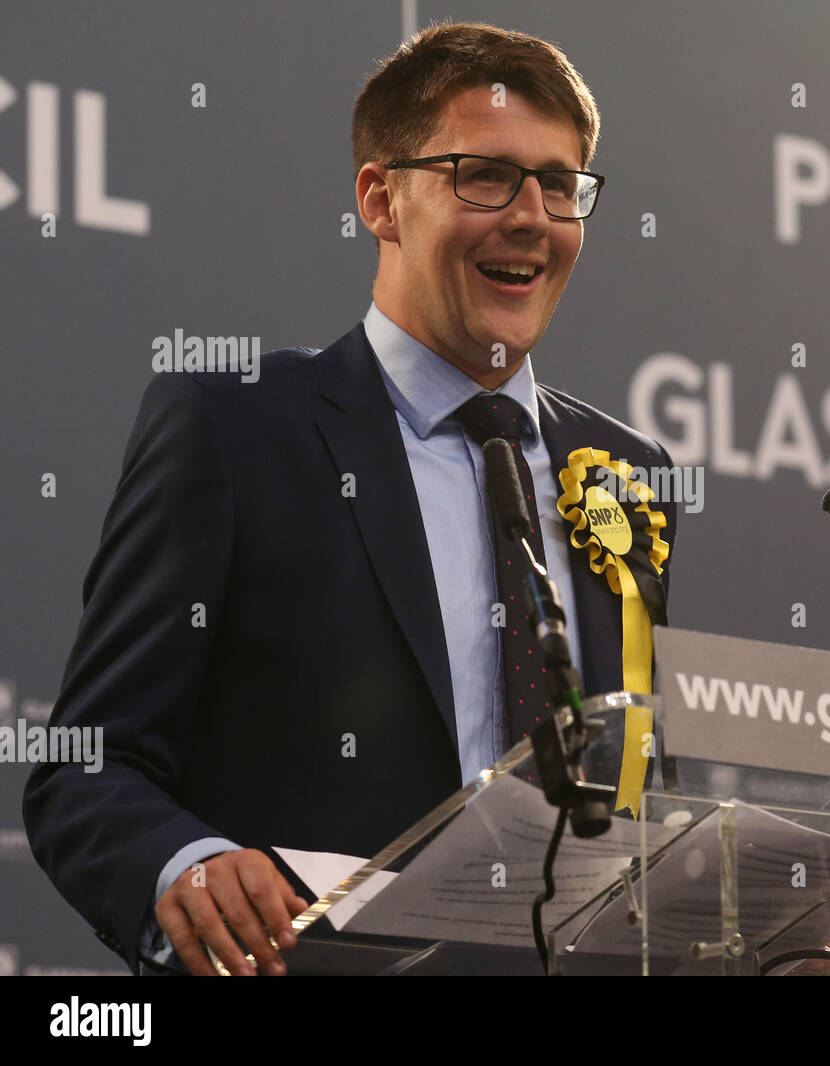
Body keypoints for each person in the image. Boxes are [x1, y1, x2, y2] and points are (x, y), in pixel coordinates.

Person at [23, 22, 677, 977]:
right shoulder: (235, 425)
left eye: (559, 184)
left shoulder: (626, 471)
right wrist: (190, 867)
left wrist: (785, 937)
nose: (533, 214)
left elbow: (630, 807)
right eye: (485, 176)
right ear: (382, 199)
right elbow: (89, 767)